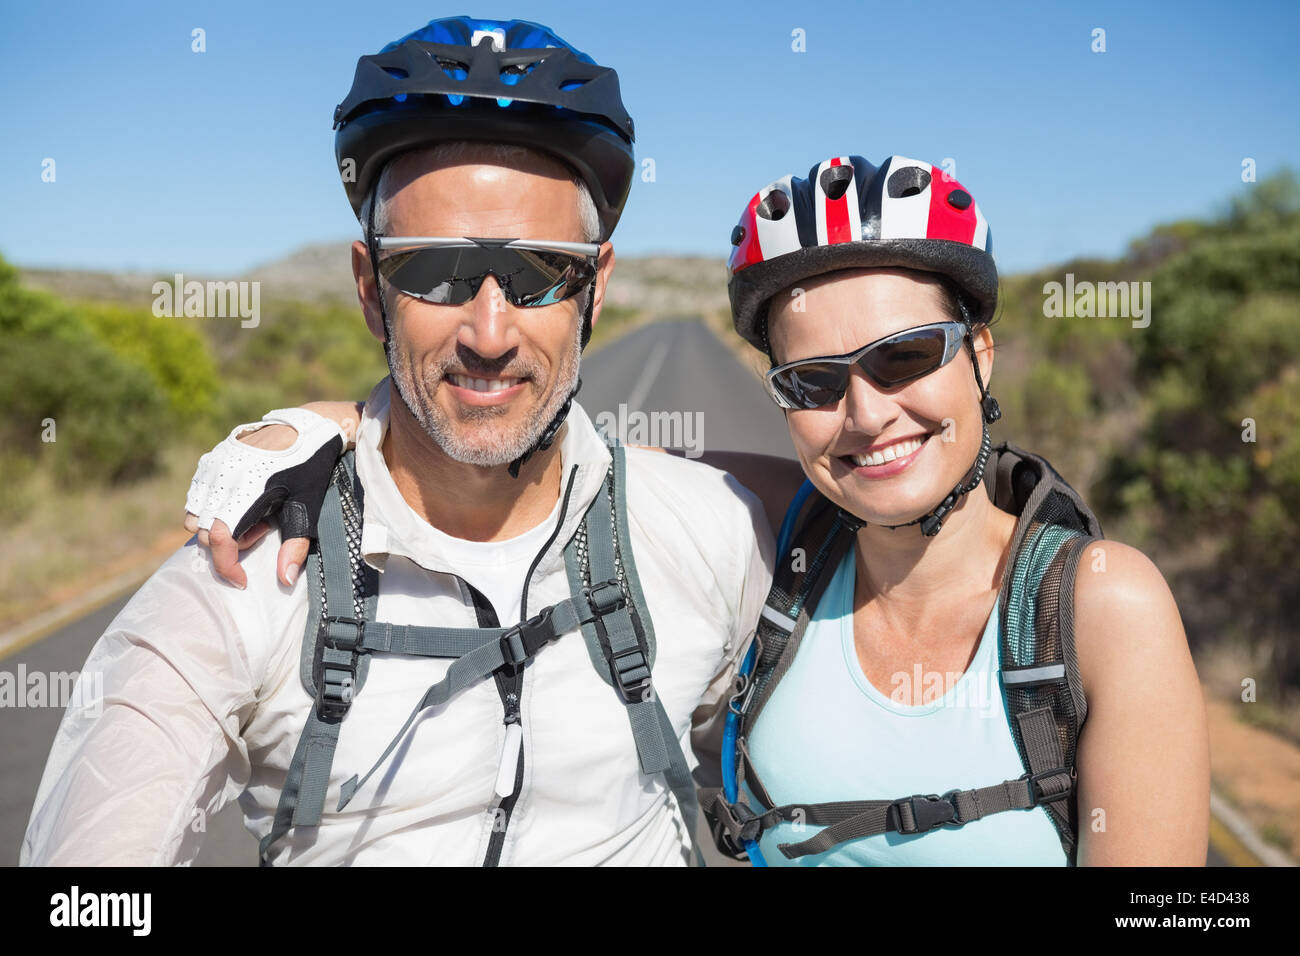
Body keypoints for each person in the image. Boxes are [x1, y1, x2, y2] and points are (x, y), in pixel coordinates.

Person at [202, 153, 1210, 866]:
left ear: (979, 354)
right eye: (813, 381)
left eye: (905, 357)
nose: (866, 414)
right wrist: (303, 431)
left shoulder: (1096, 606)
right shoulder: (782, 527)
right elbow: (522, 442)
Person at [21, 17, 772, 867]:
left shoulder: (711, 530)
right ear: (370, 289)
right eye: (432, 269)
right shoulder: (251, 567)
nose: (489, 332)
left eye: (538, 274)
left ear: (593, 289)